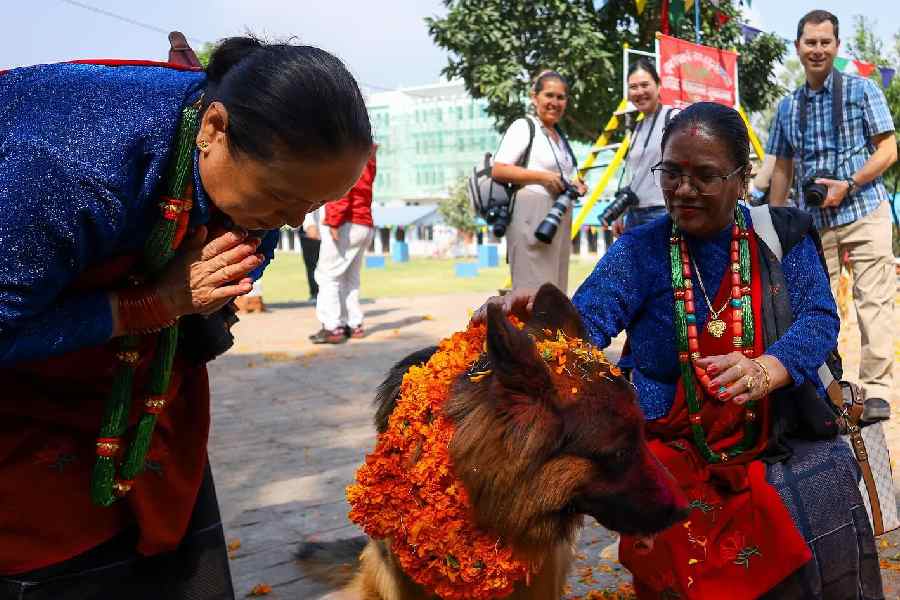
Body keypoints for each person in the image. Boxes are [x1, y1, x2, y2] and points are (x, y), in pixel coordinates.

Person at [0, 36, 371, 599]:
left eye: (311, 207)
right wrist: (153, 304)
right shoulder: (70, 166)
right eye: (277, 199)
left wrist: (199, 296)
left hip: (143, 395)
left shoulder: (234, 158)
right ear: (214, 130)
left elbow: (217, 277)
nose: (291, 222)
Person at [475, 102, 883, 599]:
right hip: (668, 440)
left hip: (773, 426)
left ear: (741, 177)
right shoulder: (640, 249)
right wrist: (537, 321)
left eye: (705, 176)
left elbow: (818, 317)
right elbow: (583, 329)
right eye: (672, 172)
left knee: (820, 493)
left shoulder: (782, 234)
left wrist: (768, 367)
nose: (683, 190)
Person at [767, 9, 897, 422]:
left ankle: (876, 393)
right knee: (813, 306)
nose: (817, 49)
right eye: (810, 42)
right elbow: (782, 168)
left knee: (873, 302)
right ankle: (827, 388)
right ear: (798, 47)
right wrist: (772, 220)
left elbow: (889, 149)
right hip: (813, 222)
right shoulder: (787, 107)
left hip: (864, 207)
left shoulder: (863, 90)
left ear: (837, 47)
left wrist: (851, 183)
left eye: (825, 42)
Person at [492, 70, 587, 292]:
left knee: (555, 289)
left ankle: (548, 329)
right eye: (549, 95)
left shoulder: (558, 135)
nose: (554, 102)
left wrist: (575, 185)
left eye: (560, 97)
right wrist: (542, 177)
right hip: (530, 213)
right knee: (531, 291)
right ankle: (530, 329)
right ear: (535, 97)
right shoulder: (524, 126)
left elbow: (560, 174)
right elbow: (498, 169)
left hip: (558, 217)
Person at [310, 152, 377, 344]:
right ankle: (354, 324)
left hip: (345, 222)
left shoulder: (348, 146)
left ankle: (333, 328)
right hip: (363, 221)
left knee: (327, 276)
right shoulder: (368, 153)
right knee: (350, 279)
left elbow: (343, 185)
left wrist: (333, 220)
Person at [612, 59, 676, 234]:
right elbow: (635, 175)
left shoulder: (673, 117)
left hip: (662, 211)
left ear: (658, 85)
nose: (639, 92)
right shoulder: (637, 127)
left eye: (645, 85)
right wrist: (620, 213)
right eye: (633, 87)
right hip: (634, 214)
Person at [300, 207, 324, 301]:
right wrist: (310, 224)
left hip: (325, 227)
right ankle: (315, 293)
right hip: (312, 228)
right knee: (312, 265)